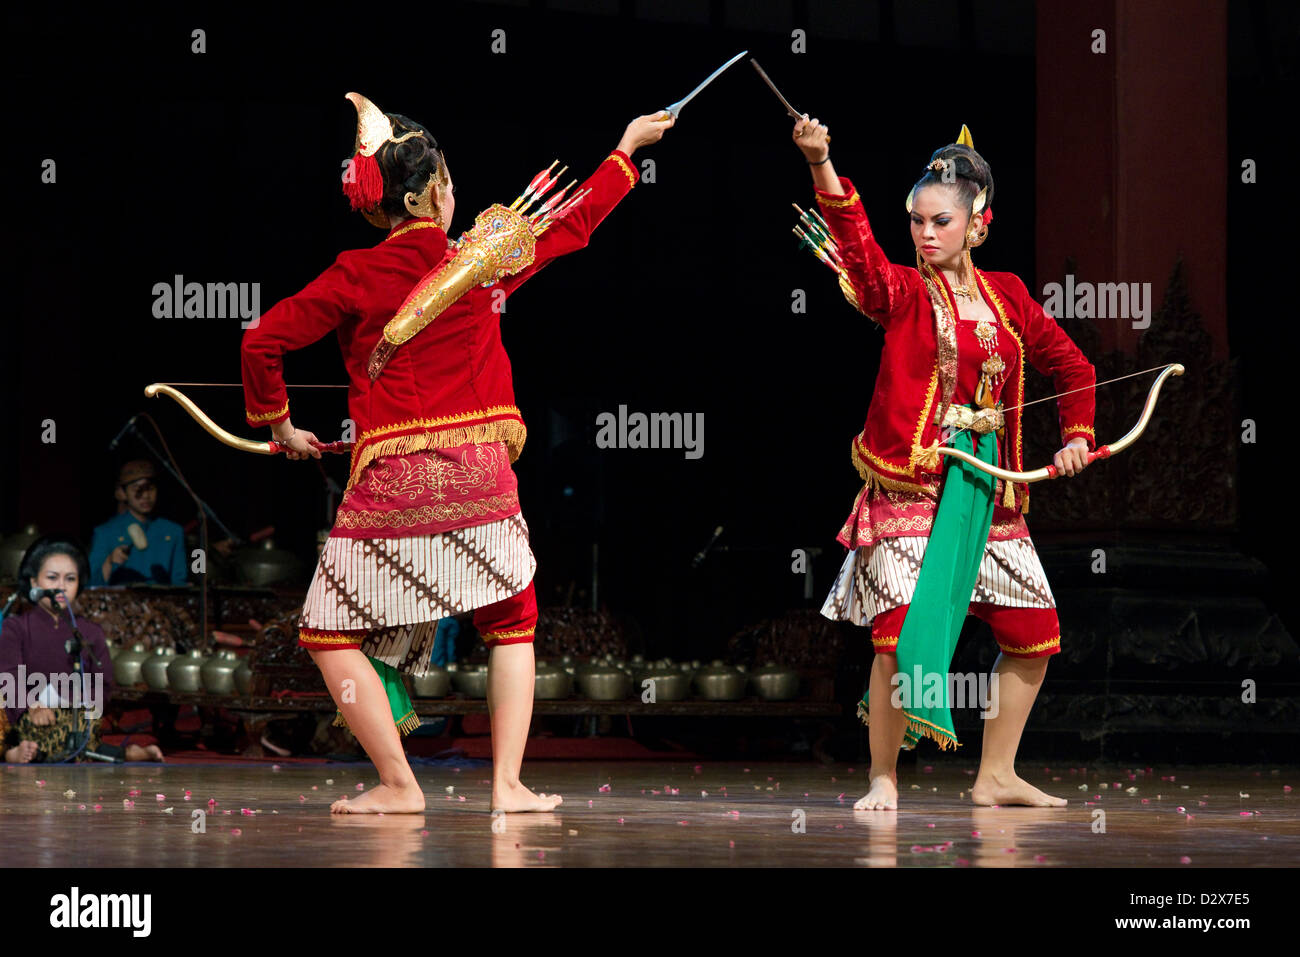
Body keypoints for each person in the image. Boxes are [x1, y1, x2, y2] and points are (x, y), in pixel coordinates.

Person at [240, 92, 673, 813]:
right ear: (434, 192)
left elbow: (261, 341)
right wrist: (627, 151)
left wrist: (279, 424)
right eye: (449, 180)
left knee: (325, 629)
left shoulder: (355, 272)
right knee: (513, 624)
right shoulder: (483, 258)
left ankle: (398, 784)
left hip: (392, 486)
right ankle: (507, 785)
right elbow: (574, 224)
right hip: (481, 476)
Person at [793, 118, 1096, 810]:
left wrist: (1076, 434)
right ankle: (883, 776)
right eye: (917, 221)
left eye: (941, 221)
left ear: (977, 225)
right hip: (911, 487)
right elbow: (861, 257)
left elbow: (1073, 365)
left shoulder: (1011, 296)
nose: (926, 234)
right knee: (898, 636)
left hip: (986, 492)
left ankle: (994, 774)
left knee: (1033, 633)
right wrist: (822, 165)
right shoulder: (899, 292)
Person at [1, 538, 163, 763]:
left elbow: (103, 685)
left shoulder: (89, 632)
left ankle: (36, 753)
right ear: (34, 582)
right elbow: (8, 675)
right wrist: (32, 706)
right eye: (52, 577)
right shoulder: (16, 627)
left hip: (72, 717)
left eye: (70, 579)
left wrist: (71, 705)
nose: (61, 586)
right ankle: (15, 751)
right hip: (24, 713)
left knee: (70, 733)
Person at [87, 461, 189, 587]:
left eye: (150, 488)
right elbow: (90, 584)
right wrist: (109, 561)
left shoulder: (173, 531)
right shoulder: (105, 533)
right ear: (122, 493)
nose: (145, 495)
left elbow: (180, 581)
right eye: (137, 489)